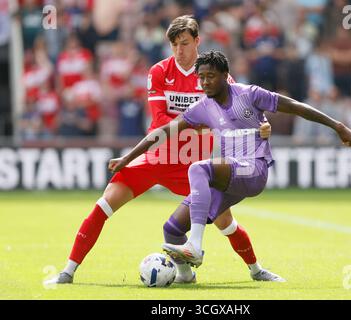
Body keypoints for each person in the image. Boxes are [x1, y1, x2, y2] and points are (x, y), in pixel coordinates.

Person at [45, 16, 271, 285]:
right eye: (174, 44)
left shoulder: (215, 77)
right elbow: (160, 119)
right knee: (104, 204)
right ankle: (68, 271)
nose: (179, 50)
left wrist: (261, 123)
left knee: (225, 222)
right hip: (157, 157)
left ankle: (256, 270)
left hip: (194, 165)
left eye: (185, 43)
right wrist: (201, 123)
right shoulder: (159, 72)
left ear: (197, 41)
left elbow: (239, 112)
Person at [108, 51, 351, 279]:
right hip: (229, 177)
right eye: (201, 77)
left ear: (226, 76)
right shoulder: (202, 108)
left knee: (198, 168)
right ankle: (191, 276)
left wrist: (338, 126)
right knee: (172, 229)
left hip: (253, 170)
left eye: (210, 76)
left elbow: (295, 107)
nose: (204, 82)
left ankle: (195, 244)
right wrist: (128, 158)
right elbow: (162, 132)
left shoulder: (249, 94)